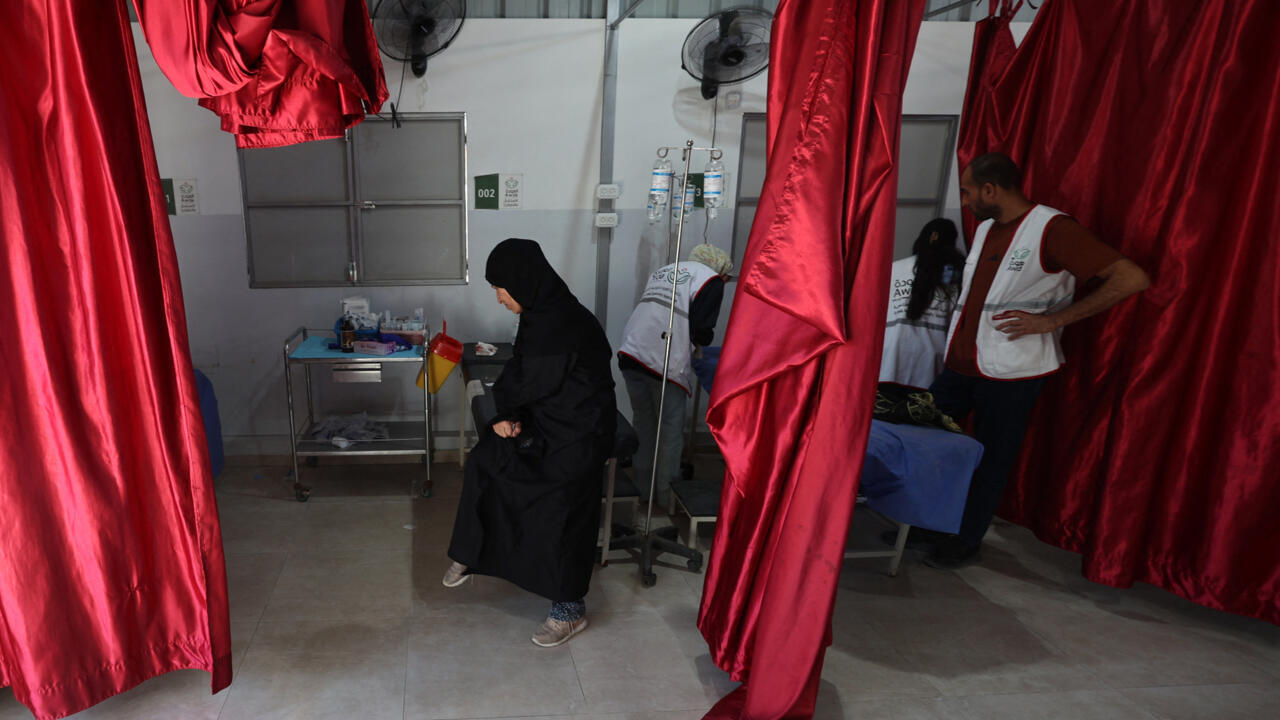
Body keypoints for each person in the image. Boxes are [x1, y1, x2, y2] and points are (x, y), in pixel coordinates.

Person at [920, 153, 1150, 569]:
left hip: (1011, 372)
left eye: (969, 192)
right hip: (961, 364)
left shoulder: (1052, 229)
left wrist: (1055, 320)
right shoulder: (988, 227)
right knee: (924, 439)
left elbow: (1131, 278)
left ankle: (964, 540)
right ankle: (921, 524)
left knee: (990, 459)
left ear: (991, 190)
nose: (966, 201)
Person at [443, 238, 617, 647]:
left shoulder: (562, 323)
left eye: (501, 288)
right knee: (488, 460)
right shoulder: (539, 316)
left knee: (562, 507)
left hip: (580, 433)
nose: (500, 298)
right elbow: (523, 373)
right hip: (548, 420)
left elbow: (534, 381)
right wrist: (506, 417)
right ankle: (473, 552)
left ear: (523, 281)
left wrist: (504, 414)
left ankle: (569, 610)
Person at [617, 243, 732, 509]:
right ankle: (667, 499)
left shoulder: (665, 271)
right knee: (669, 431)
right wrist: (699, 347)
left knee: (643, 426)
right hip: (662, 361)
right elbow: (703, 329)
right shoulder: (711, 280)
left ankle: (642, 493)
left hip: (631, 352)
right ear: (720, 269)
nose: (724, 283)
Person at [879, 218, 966, 387]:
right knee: (919, 411)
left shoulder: (894, 269)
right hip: (931, 363)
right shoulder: (956, 277)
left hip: (891, 358)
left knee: (885, 410)